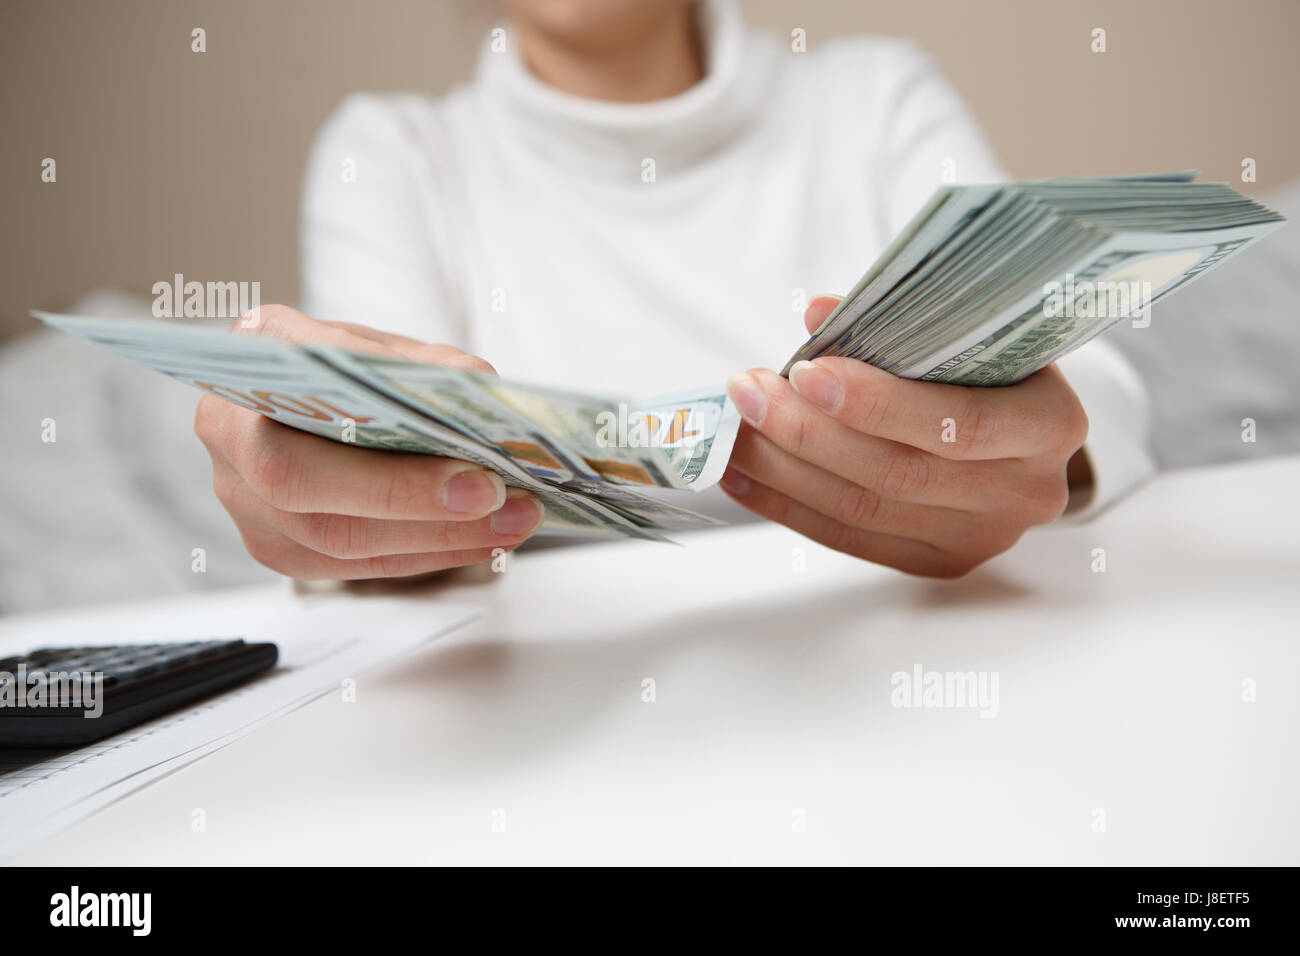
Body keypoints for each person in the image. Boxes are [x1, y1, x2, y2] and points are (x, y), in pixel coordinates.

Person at [195, 0, 1152, 580]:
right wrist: (340, 507)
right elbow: (388, 493)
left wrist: (1045, 460)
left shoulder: (877, 97)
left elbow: (1092, 391)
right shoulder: (397, 155)